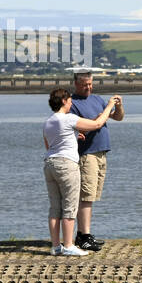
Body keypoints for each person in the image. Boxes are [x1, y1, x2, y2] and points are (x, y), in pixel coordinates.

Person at [43, 87, 118, 256]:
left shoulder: (48, 122)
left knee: (55, 207)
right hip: (67, 165)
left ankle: (56, 247)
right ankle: (69, 245)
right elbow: (97, 124)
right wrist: (109, 106)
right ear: (63, 101)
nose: (71, 103)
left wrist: (74, 135)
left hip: (50, 164)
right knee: (70, 205)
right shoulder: (69, 118)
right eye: (69, 101)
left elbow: (50, 145)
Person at [69, 68, 124, 251]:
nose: (88, 88)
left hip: (101, 153)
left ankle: (84, 235)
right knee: (86, 195)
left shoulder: (97, 99)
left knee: (92, 196)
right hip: (86, 154)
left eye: (91, 84)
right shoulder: (72, 103)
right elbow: (90, 125)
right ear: (76, 84)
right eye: (85, 85)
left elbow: (118, 117)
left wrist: (118, 106)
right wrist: (107, 108)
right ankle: (84, 236)